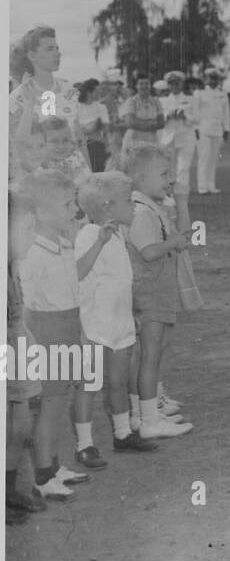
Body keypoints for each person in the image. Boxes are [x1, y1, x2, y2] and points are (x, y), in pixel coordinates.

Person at [16, 170, 91, 500]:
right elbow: (25, 306)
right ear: (41, 213)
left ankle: (54, 463)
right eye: (66, 204)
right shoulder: (32, 252)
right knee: (48, 405)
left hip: (68, 326)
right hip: (46, 334)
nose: (74, 210)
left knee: (59, 403)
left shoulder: (62, 242)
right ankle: (43, 475)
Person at [75, 172, 157, 457]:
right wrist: (98, 242)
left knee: (118, 381)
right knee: (90, 384)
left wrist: (132, 309)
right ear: (107, 206)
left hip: (120, 321)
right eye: (127, 200)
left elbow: (122, 278)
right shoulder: (88, 235)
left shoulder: (119, 233)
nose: (133, 205)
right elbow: (79, 272)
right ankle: (84, 444)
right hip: (96, 324)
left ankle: (122, 433)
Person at [125, 146, 193, 439]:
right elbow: (150, 252)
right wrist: (171, 244)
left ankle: (148, 410)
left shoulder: (155, 207)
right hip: (149, 292)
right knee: (149, 354)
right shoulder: (142, 212)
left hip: (159, 290)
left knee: (155, 351)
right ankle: (149, 419)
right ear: (140, 179)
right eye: (164, 173)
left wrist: (182, 201)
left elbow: (183, 236)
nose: (170, 178)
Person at [6, 194, 44, 523]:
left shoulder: (13, 268)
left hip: (18, 349)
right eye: (26, 229)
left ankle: (9, 488)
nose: (32, 236)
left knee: (19, 425)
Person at [9, 25, 82, 177]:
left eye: (57, 48)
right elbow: (17, 149)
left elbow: (79, 140)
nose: (58, 53)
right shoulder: (17, 99)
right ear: (32, 55)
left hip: (77, 173)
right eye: (50, 49)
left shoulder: (70, 91)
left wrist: (89, 177)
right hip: (40, 179)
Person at [192, 68, 230, 194]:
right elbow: (195, 113)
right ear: (206, 79)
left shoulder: (223, 94)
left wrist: (226, 130)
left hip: (218, 131)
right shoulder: (199, 93)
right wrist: (195, 129)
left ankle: (211, 186)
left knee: (213, 159)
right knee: (204, 158)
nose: (213, 80)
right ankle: (202, 187)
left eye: (215, 78)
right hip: (203, 130)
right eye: (210, 78)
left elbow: (226, 114)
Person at [160, 70, 197, 201]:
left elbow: (197, 119)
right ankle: (169, 196)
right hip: (168, 138)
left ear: (181, 84)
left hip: (186, 137)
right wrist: (167, 115)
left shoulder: (190, 99)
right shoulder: (162, 101)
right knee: (169, 168)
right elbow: (159, 120)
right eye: (172, 84)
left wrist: (185, 116)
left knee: (183, 168)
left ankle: (182, 197)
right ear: (168, 86)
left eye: (177, 83)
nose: (175, 86)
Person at [119, 74, 164, 159]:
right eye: (141, 84)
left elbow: (162, 122)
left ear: (150, 85)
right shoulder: (131, 102)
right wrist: (152, 123)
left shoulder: (156, 102)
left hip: (151, 142)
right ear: (136, 86)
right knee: (134, 170)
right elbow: (130, 123)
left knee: (150, 170)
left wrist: (139, 122)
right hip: (134, 142)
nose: (144, 86)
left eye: (147, 83)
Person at [78, 80, 111, 172]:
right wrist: (94, 127)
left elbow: (106, 128)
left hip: (98, 146)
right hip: (81, 146)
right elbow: (78, 129)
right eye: (97, 91)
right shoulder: (77, 107)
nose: (100, 93)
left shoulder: (101, 107)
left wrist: (87, 129)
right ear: (89, 92)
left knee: (99, 173)